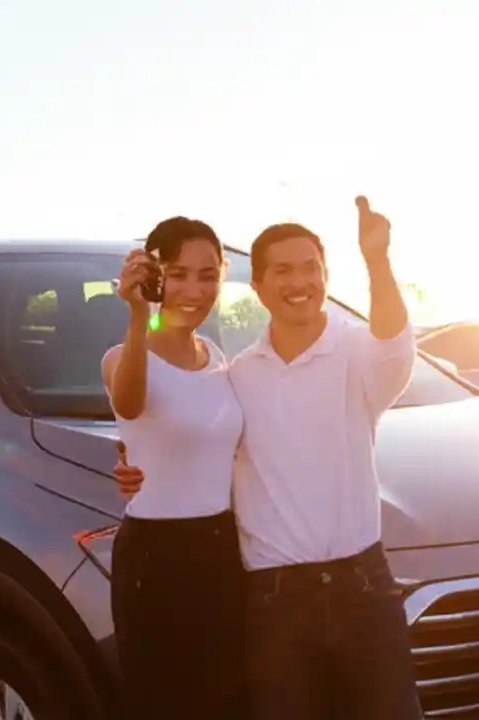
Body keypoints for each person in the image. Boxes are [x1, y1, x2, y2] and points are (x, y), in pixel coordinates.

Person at [114, 197, 422, 719]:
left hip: (362, 587)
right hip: (271, 597)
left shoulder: (357, 353)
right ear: (256, 286)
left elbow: (393, 344)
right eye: (281, 270)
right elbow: (185, 431)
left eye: (310, 268)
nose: (297, 282)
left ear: (326, 276)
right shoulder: (238, 374)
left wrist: (377, 262)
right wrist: (135, 460)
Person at [100, 216, 246, 719]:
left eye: (208, 275)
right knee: (165, 703)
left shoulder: (218, 357)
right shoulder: (124, 355)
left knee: (226, 699)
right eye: (179, 274)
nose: (195, 289)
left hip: (223, 549)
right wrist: (139, 315)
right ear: (155, 275)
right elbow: (130, 405)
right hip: (156, 558)